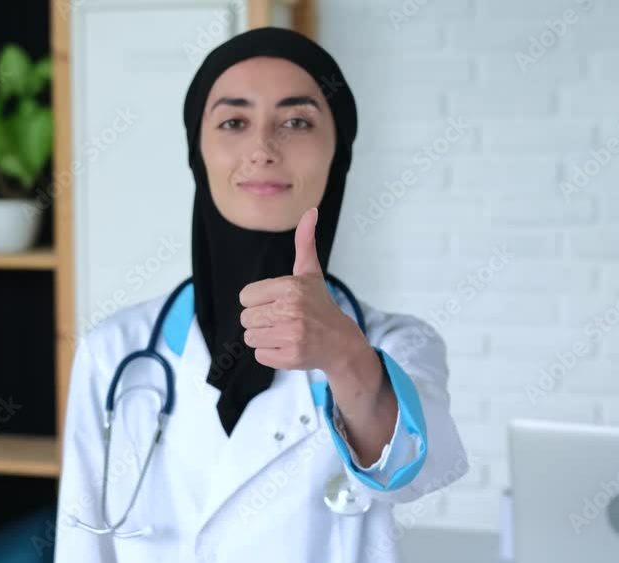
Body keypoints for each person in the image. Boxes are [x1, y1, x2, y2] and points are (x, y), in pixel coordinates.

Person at [54, 26, 468, 563]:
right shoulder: (114, 354)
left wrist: (346, 356)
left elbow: (413, 471)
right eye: (233, 121)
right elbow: (82, 546)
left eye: (296, 122)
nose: (262, 148)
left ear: (338, 150)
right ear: (196, 151)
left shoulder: (395, 344)